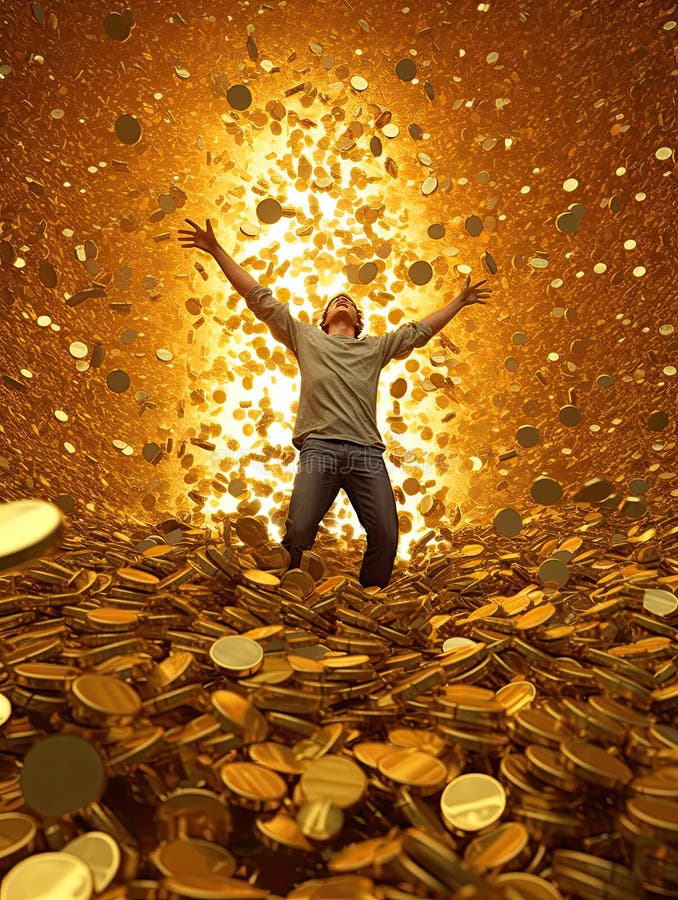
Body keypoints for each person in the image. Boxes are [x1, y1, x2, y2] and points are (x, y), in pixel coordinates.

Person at [178, 217, 491, 587]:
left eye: (350, 303)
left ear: (359, 321)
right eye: (334, 302)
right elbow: (258, 297)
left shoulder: (375, 348)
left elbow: (420, 330)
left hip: (366, 455)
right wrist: (216, 250)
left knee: (388, 537)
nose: (343, 301)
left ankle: (369, 602)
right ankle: (285, 600)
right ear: (323, 320)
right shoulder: (305, 337)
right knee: (298, 535)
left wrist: (459, 301)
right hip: (319, 449)